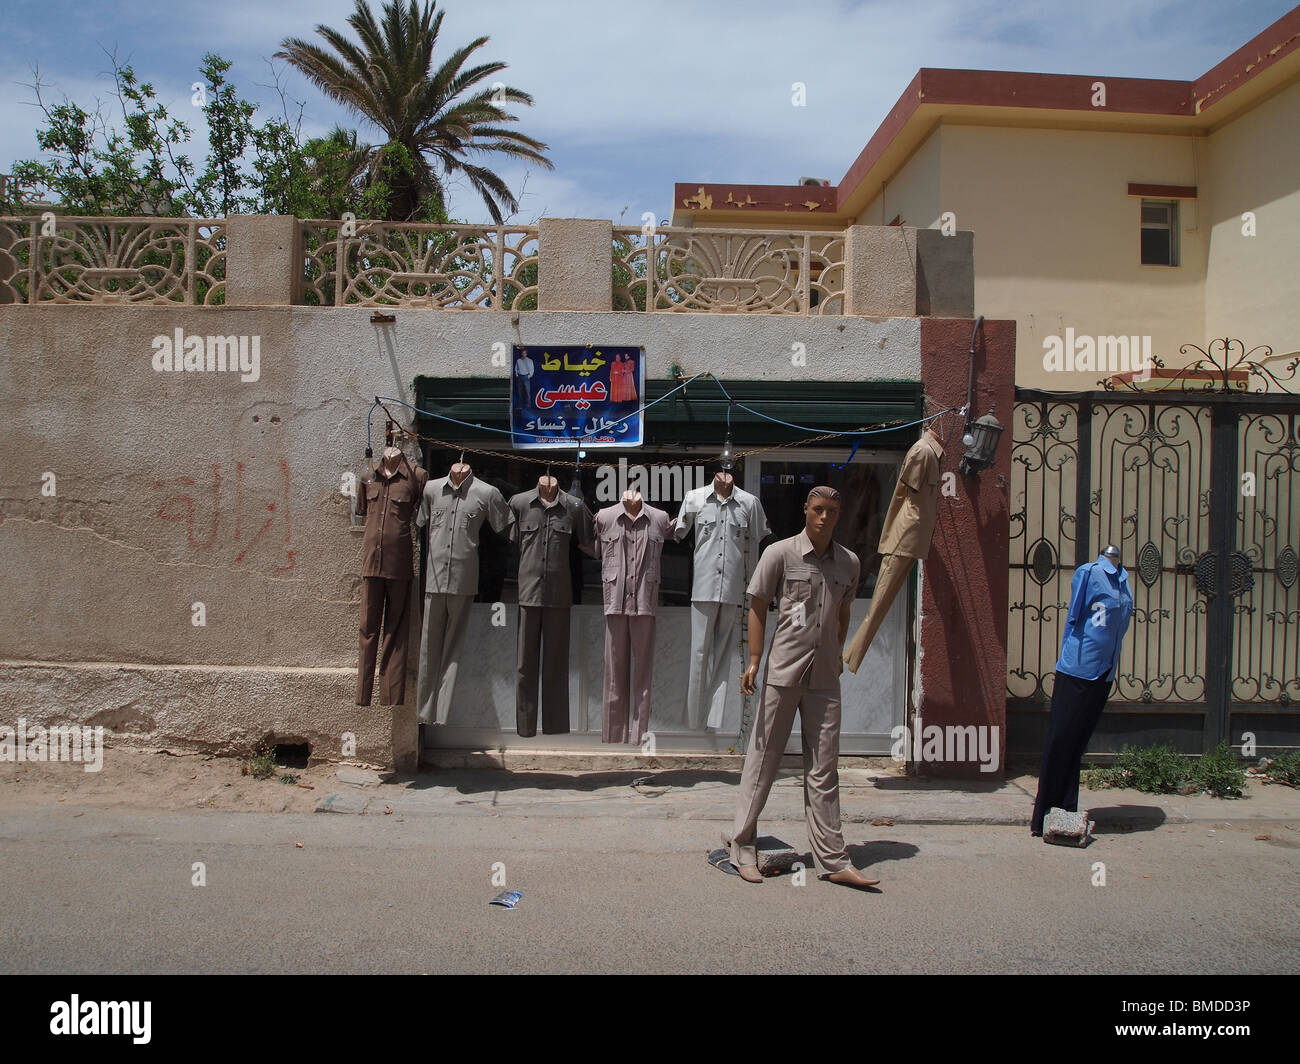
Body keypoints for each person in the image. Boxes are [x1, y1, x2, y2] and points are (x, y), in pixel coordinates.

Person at [725, 486, 879, 889]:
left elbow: (844, 612)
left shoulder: (849, 562)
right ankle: (741, 847)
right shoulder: (779, 553)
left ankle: (832, 858)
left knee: (825, 768)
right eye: (817, 509)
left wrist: (837, 651)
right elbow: (757, 605)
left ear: (839, 514)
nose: (824, 517)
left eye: (831, 510)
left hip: (825, 678)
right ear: (805, 510)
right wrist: (755, 660)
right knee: (763, 763)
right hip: (782, 673)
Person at [1030, 545, 1135, 835]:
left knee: (1076, 744)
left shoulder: (1124, 580)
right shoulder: (1089, 574)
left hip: (1104, 671)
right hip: (1079, 668)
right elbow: (1074, 619)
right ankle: (1043, 816)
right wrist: (1068, 657)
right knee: (1061, 740)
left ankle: (1066, 810)